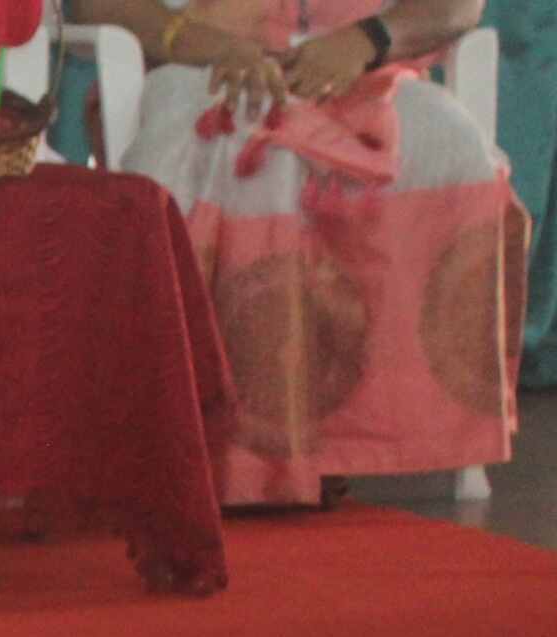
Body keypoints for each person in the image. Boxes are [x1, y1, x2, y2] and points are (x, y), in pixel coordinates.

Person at [65, 0, 525, 504]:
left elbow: (457, 6)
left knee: (452, 141)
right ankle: (235, 453)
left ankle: (366, 438)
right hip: (201, 67)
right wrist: (222, 46)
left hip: (360, 69)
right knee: (260, 150)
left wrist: (365, 40)